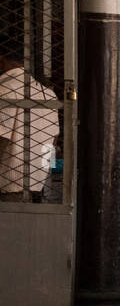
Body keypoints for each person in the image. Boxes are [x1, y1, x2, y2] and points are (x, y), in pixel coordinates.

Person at [0, 54, 59, 202]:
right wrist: (45, 173)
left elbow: (1, 136)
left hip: (8, 186)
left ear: (2, 59)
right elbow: (53, 140)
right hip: (38, 185)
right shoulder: (48, 95)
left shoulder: (5, 88)